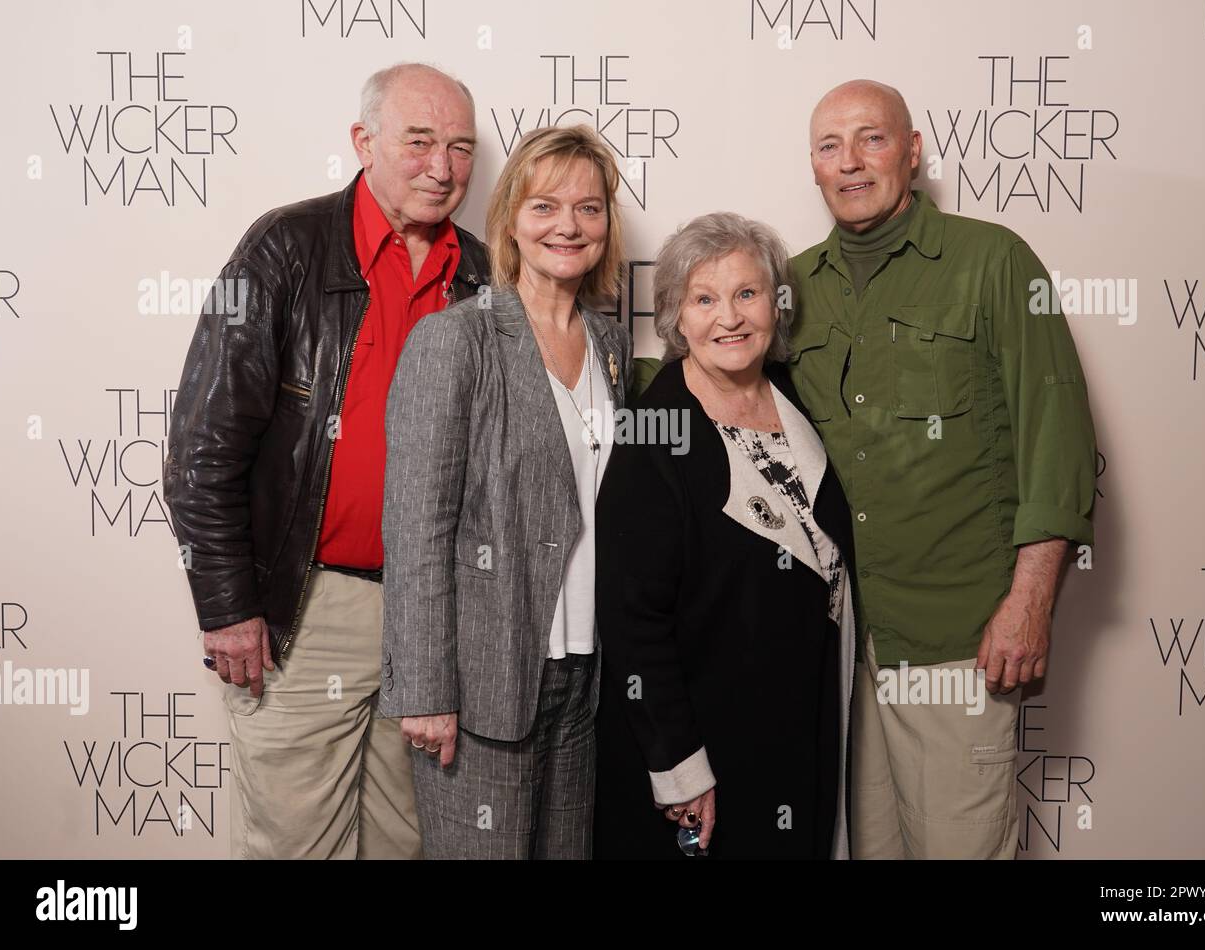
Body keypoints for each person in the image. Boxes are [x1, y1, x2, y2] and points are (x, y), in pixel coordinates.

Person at [162, 63, 491, 859]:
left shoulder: (484, 272)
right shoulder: (287, 247)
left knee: (408, 844)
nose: (441, 168)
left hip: (434, 615)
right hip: (307, 609)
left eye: (460, 147)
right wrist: (229, 605)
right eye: (419, 142)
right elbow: (202, 446)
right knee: (295, 845)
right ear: (363, 142)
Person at [790, 79, 1097, 859]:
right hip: (844, 650)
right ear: (814, 166)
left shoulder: (993, 260)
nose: (851, 162)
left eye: (873, 138)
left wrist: (1031, 600)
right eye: (831, 146)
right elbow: (716, 382)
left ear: (914, 151)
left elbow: (1056, 434)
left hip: (961, 640)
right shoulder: (792, 287)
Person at [380, 125, 633, 859]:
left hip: (585, 675)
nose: (568, 226)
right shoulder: (456, 339)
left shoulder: (610, 343)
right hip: (484, 678)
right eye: (545, 205)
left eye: (589, 209)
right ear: (512, 220)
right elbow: (417, 526)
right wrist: (427, 687)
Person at [593, 212, 855, 860]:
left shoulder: (798, 400)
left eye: (746, 294)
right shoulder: (653, 432)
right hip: (702, 751)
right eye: (704, 299)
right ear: (677, 318)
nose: (729, 318)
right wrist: (680, 768)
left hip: (798, 730)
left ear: (775, 304)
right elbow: (632, 619)